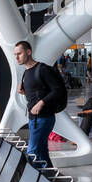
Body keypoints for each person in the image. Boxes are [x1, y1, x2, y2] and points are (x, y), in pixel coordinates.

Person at [14, 39, 66, 168]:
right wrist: (24, 92)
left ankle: (35, 181)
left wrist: (41, 103)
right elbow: (38, 92)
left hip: (44, 117)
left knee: (32, 152)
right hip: (33, 118)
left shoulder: (42, 69)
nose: (16, 57)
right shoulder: (26, 72)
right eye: (15, 54)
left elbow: (58, 90)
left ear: (29, 52)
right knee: (41, 152)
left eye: (19, 53)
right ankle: (50, 178)